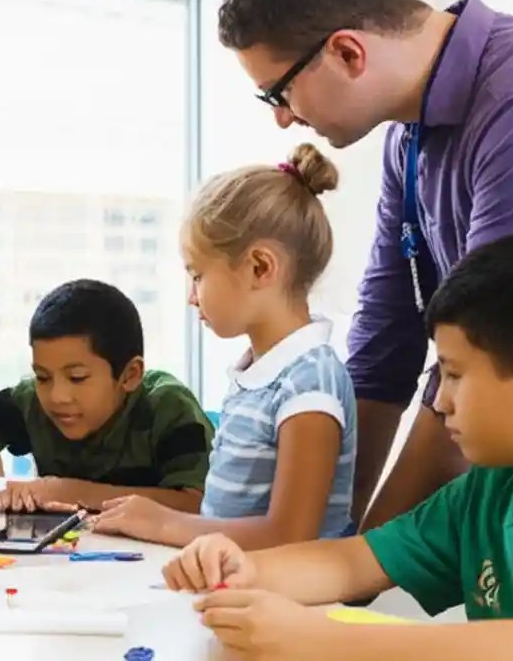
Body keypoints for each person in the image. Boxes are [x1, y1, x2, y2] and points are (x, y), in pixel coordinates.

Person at [217, 0, 513, 530]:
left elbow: (483, 360)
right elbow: (385, 350)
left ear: (347, 52)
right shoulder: (407, 141)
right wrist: (326, 538)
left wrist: (359, 559)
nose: (282, 117)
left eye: (278, 92)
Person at [165, 233, 513, 659]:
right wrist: (246, 569)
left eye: (454, 374)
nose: (440, 402)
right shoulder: (492, 491)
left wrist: (326, 639)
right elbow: (354, 562)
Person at [94, 143, 355, 550]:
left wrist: (164, 523)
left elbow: (289, 536)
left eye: (197, 275)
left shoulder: (310, 383)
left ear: (260, 267)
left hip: (290, 605)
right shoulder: (261, 373)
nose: (191, 296)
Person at [0, 279, 213, 513]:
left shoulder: (168, 406)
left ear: (130, 375)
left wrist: (70, 492)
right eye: (43, 377)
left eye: (77, 378)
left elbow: (195, 502)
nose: (57, 396)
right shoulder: (33, 400)